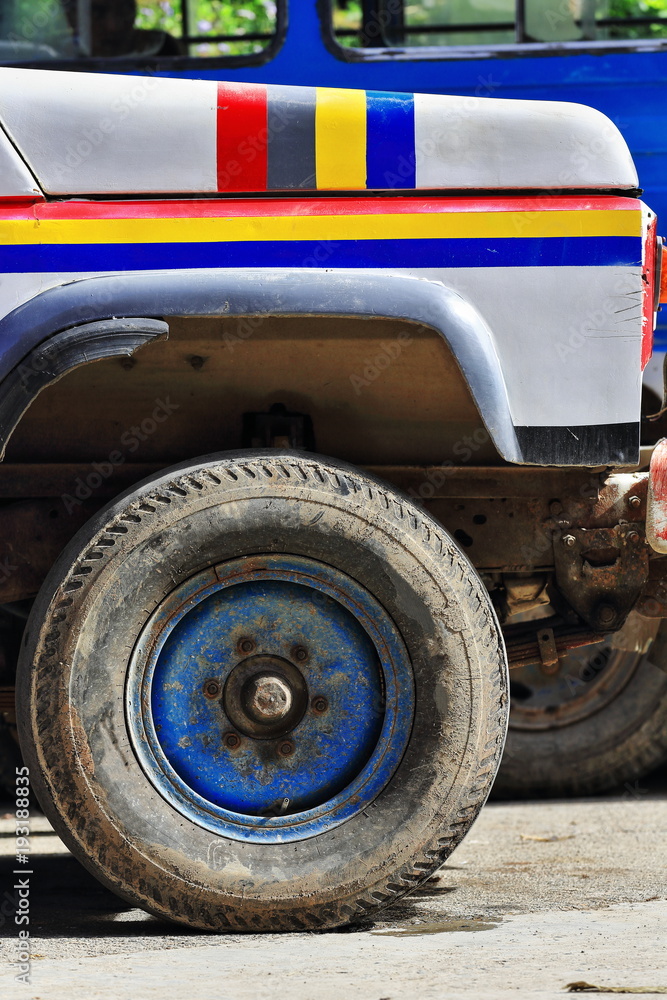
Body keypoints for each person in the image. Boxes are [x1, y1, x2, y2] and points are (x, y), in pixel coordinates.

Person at [63, 0, 183, 58]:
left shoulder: (162, 49)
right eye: (97, 12)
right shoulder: (57, 58)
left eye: (125, 10)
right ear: (72, 18)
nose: (113, 26)